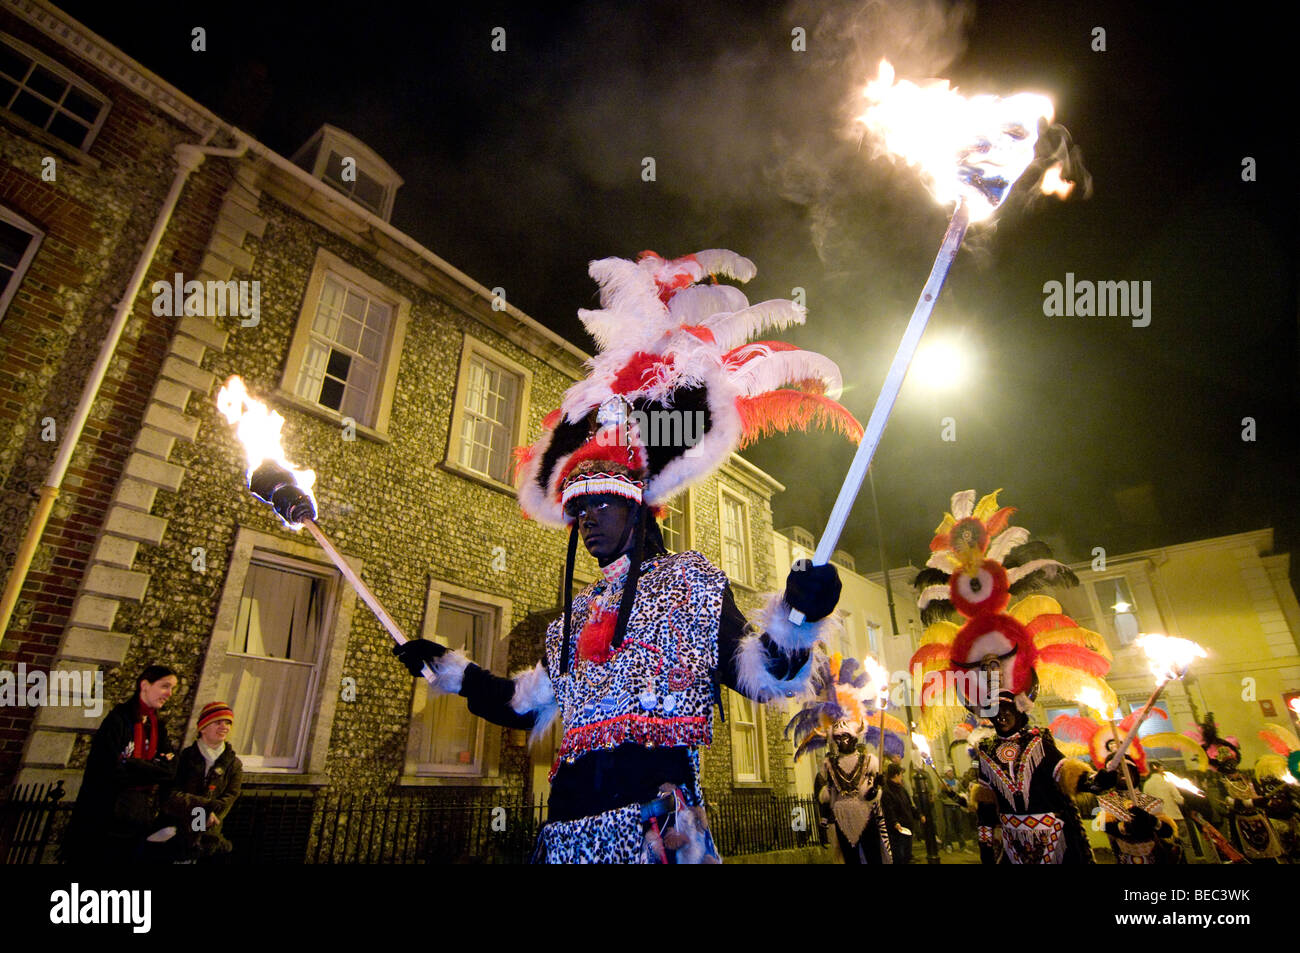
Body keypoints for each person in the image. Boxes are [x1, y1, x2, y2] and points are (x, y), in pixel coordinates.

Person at [392, 249, 860, 863]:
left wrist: (798, 617)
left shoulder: (690, 582)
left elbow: (763, 677)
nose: (587, 523)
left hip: (652, 839)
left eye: (601, 508)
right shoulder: (573, 619)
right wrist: (450, 673)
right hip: (566, 838)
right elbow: (523, 701)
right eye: (579, 512)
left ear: (639, 509)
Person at [909, 490, 1121, 864]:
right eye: (997, 708)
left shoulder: (1039, 740)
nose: (1002, 713)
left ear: (1022, 706)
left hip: (1055, 840)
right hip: (1014, 847)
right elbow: (987, 800)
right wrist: (986, 841)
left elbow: (1061, 773)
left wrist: (1093, 781)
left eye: (1007, 707)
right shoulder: (987, 750)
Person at [62, 664, 178, 862]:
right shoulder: (119, 719)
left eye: (173, 689)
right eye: (165, 686)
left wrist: (135, 764)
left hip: (136, 816)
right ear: (145, 685)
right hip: (103, 816)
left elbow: (171, 770)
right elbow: (109, 768)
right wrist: (152, 768)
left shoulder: (158, 725)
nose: (169, 694)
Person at [153, 701, 244, 861]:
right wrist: (205, 812)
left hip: (210, 838)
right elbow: (171, 795)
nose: (224, 727)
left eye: (228, 723)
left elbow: (231, 796)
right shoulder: (184, 758)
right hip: (178, 834)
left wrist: (209, 814)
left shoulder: (233, 764)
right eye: (218, 722)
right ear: (203, 728)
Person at [882, 762, 918, 864]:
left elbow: (908, 805)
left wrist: (918, 815)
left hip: (907, 826)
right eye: (901, 774)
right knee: (899, 855)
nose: (902, 777)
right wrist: (895, 822)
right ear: (896, 775)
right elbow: (889, 809)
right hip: (898, 830)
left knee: (907, 853)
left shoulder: (901, 789)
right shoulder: (887, 791)